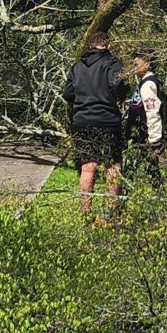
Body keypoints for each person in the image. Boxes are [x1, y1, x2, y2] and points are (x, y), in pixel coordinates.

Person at [64, 35, 127, 211]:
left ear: (90, 45)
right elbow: (117, 86)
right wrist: (121, 94)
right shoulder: (112, 63)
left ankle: (86, 212)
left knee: (87, 166)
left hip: (82, 121)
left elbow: (67, 94)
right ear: (107, 44)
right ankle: (114, 211)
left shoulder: (77, 66)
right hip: (107, 119)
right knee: (113, 164)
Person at [124, 51, 167, 187]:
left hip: (146, 136)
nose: (134, 65)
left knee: (142, 168)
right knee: (147, 168)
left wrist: (155, 140)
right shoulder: (144, 83)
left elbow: (152, 111)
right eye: (133, 63)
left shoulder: (149, 84)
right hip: (140, 134)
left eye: (138, 62)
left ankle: (158, 197)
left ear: (148, 64)